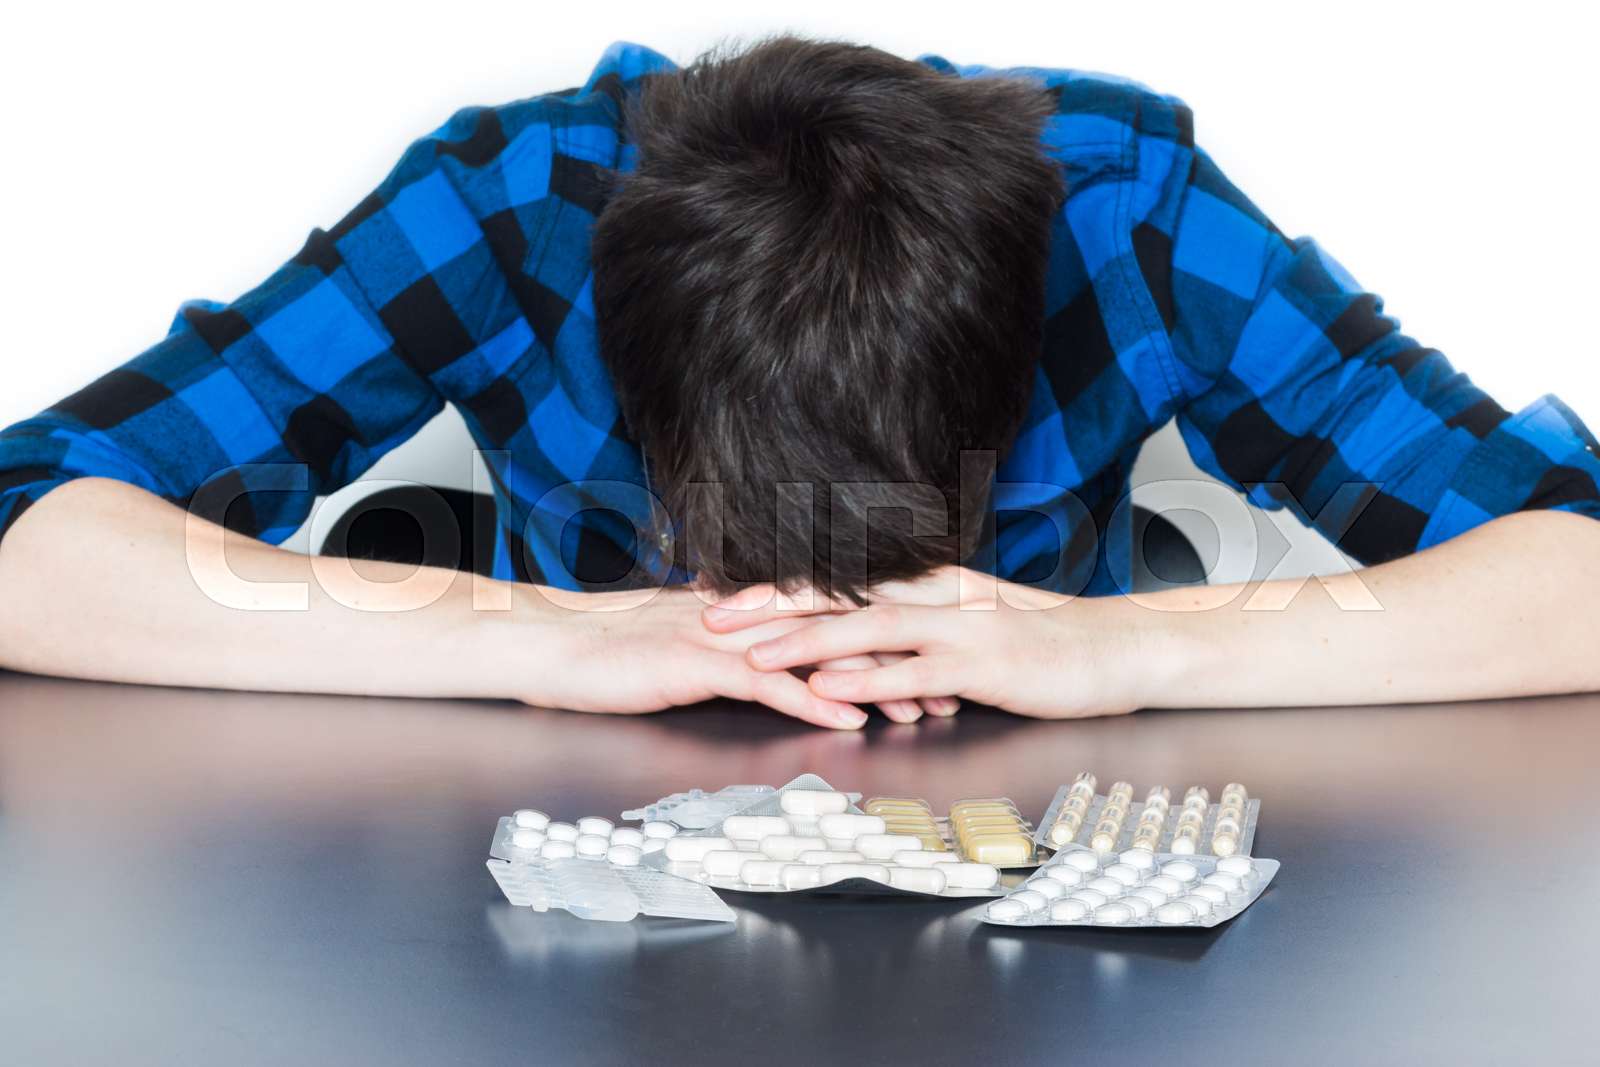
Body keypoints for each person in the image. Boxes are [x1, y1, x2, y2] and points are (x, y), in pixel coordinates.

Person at [1, 35, 1597, 729]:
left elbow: (1578, 569)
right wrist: (548, 638)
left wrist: (1128, 653)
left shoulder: (1127, 211)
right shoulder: (518, 201)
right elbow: (29, 531)